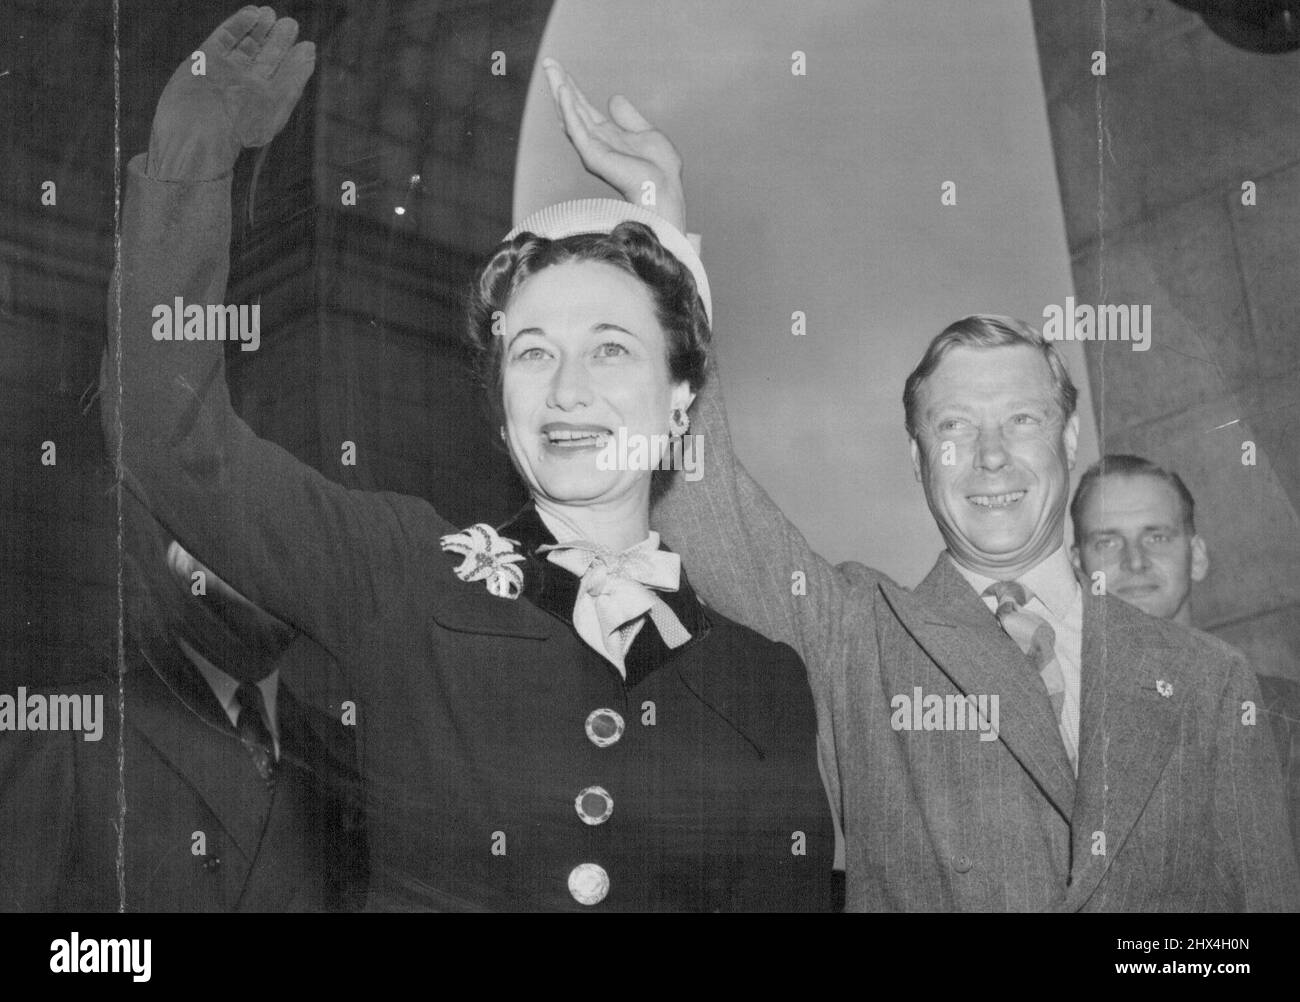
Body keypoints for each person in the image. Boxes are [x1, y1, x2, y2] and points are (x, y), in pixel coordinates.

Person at [100, 7, 831, 911]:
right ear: (500, 402)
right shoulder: (400, 572)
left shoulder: (762, 682)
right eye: (531, 352)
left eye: (611, 348)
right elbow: (166, 436)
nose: (566, 389)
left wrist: (665, 232)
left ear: (682, 398)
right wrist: (191, 162)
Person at [542, 65, 1300, 911]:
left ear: (1070, 438)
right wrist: (662, 227)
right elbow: (699, 494)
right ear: (916, 460)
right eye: (953, 428)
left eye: (1020, 421)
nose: (989, 459)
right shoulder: (859, 639)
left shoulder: (1205, 677)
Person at [0, 493, 367, 912]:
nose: (285, 575)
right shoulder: (66, 733)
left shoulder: (347, 756)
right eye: (263, 545)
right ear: (184, 559)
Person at [1070, 453, 1300, 859]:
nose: (1135, 561)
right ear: (1077, 569)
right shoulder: (1062, 732)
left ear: (1196, 557)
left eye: (1156, 537)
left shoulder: (1283, 717)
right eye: (1107, 542)